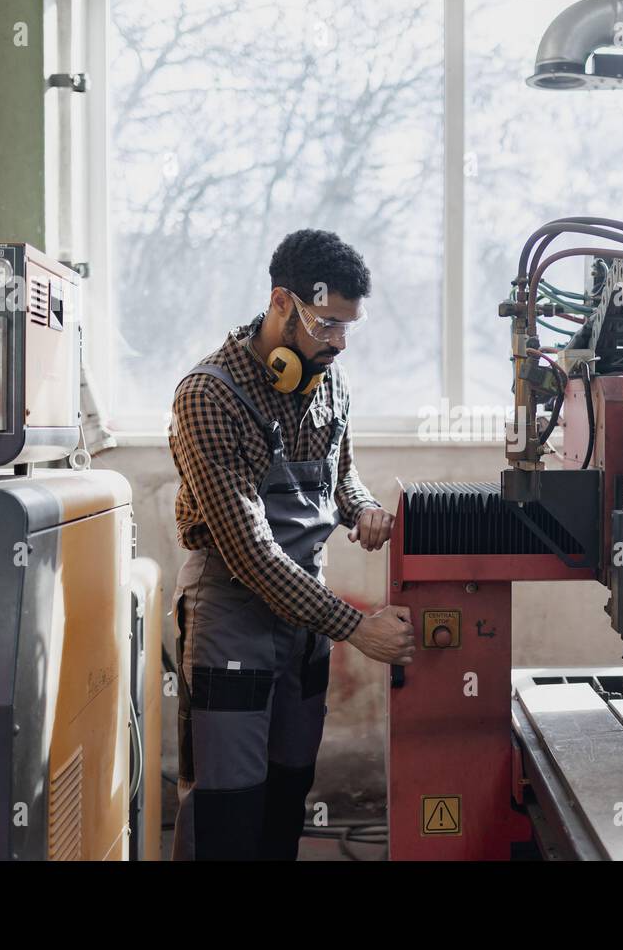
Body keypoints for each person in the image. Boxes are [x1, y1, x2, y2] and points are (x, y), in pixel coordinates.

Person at [168, 229, 415, 860]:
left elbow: (341, 472)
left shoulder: (328, 380)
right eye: (327, 324)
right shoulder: (208, 396)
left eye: (348, 328)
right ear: (282, 302)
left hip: (305, 621)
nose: (338, 343)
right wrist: (357, 628)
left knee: (288, 791)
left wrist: (361, 507)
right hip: (233, 614)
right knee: (228, 806)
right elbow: (249, 552)